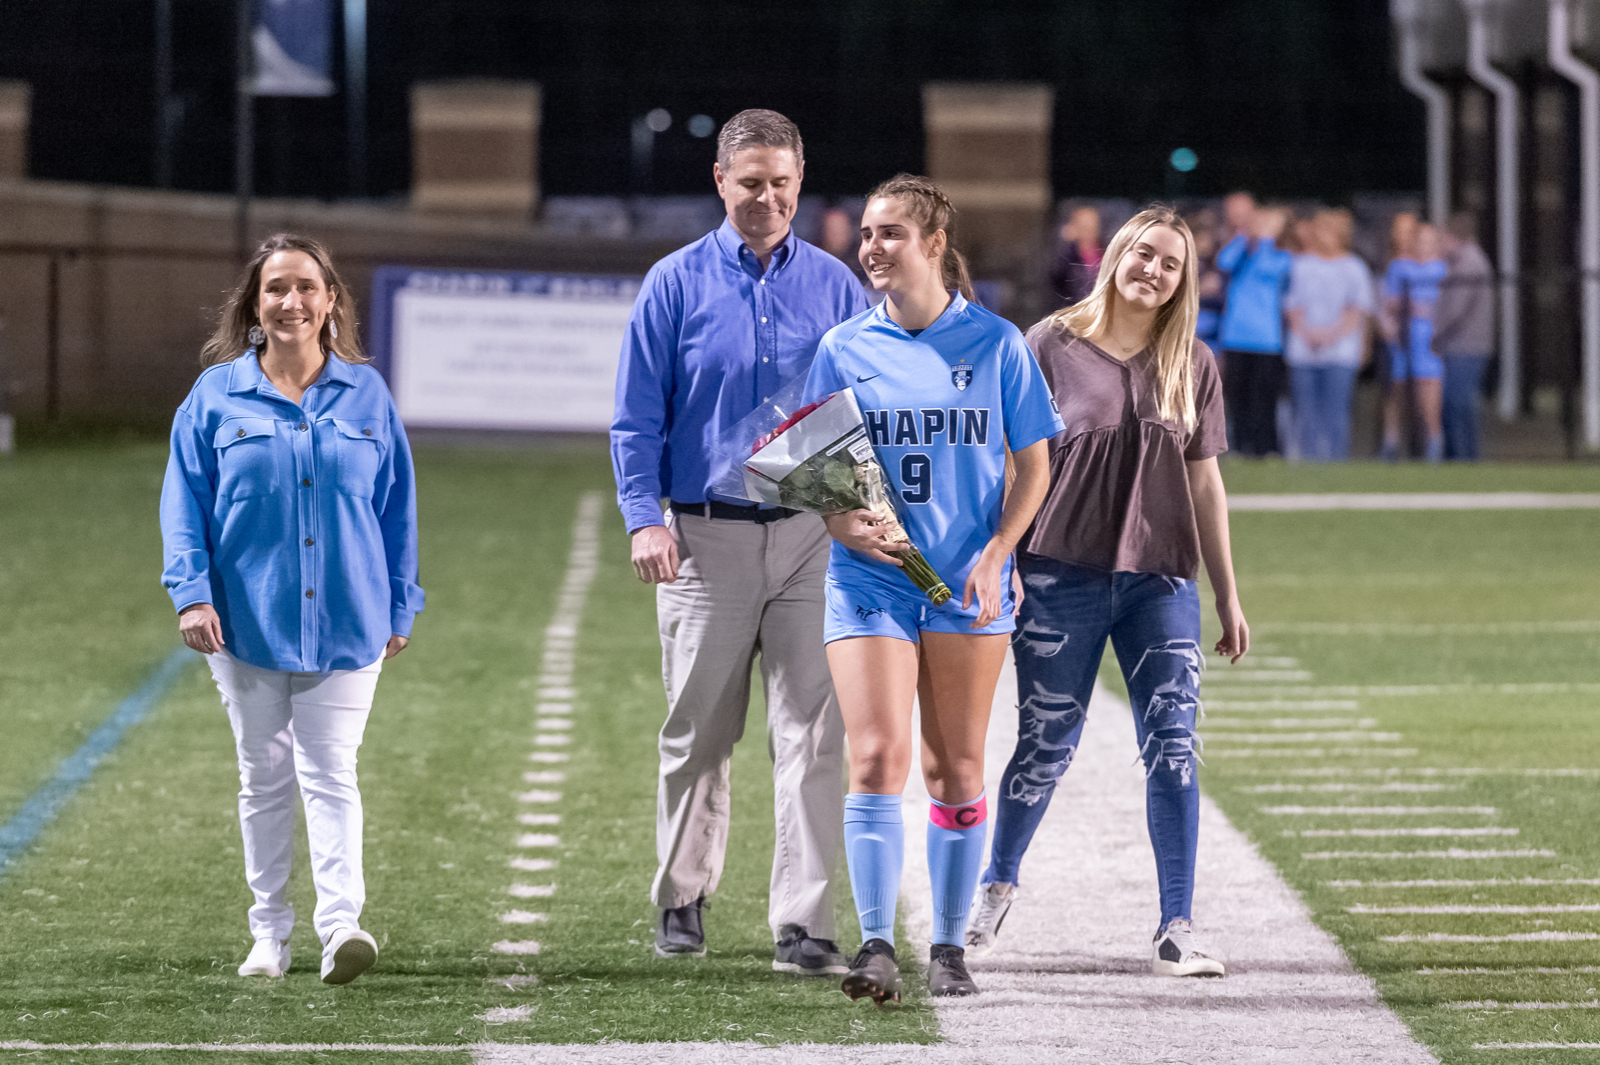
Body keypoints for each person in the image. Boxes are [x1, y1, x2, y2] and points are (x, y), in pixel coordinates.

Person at [610, 109, 870, 973]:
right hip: (704, 538)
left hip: (810, 536)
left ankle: (804, 921)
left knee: (813, 732)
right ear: (720, 182)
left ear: (801, 182)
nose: (766, 197)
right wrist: (645, 515)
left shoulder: (837, 286)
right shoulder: (674, 283)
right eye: (750, 182)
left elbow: (862, 407)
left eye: (781, 183)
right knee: (698, 731)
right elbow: (637, 416)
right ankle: (682, 896)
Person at [965, 206, 1248, 979]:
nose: (1153, 269)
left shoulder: (1193, 361)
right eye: (1144, 252)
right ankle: (996, 884)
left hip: (1160, 579)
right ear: (1117, 253)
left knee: (1175, 744)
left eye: (1170, 263)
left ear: (1182, 280)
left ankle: (1177, 925)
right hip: (1060, 574)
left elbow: (1205, 483)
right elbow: (1010, 464)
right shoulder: (1048, 344)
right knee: (1046, 744)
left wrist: (1228, 593)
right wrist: (1003, 557)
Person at [805, 174, 1061, 1002]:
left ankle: (947, 946)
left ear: (934, 245)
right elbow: (820, 471)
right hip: (871, 585)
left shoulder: (996, 345)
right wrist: (842, 523)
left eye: (891, 234)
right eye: (868, 233)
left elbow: (1034, 465)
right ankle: (876, 943)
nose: (873, 248)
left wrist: (998, 553)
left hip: (965, 588)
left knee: (955, 768)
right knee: (876, 757)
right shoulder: (843, 345)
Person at [160, 233, 425, 986]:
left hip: (349, 617)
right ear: (255, 303)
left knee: (332, 771)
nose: (292, 301)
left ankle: (342, 925)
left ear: (330, 301)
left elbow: (396, 506)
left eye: (307, 287)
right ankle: (269, 931)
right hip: (242, 620)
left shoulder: (367, 395)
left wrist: (401, 602)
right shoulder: (214, 397)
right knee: (265, 775)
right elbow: (184, 504)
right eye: (277, 288)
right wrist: (192, 593)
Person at [1284, 208, 1374, 461]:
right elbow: (1292, 306)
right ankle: (1309, 462)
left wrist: (1331, 335)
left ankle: (1336, 461)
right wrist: (1308, 334)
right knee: (1306, 412)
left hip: (1340, 352)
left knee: (1336, 411)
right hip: (1304, 350)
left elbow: (1357, 310)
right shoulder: (1301, 266)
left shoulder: (1354, 268)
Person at [1217, 204, 1293, 456]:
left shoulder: (1281, 257)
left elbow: (1267, 270)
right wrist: (1243, 237)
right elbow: (1223, 262)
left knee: (1264, 399)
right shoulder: (1241, 254)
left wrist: (1265, 241)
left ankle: (1266, 448)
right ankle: (1239, 446)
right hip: (1236, 337)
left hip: (1267, 339)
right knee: (1238, 398)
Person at [1379, 220, 1448, 462]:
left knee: (1428, 390)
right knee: (1397, 390)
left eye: (1429, 241)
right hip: (1404, 340)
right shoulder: (1399, 267)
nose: (1424, 245)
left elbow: (1446, 307)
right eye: (1420, 240)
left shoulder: (1442, 270)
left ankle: (1434, 441)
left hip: (1431, 341)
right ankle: (1391, 442)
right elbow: (1390, 302)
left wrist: (1426, 310)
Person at [1433, 212, 1496, 461]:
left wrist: (1434, 332)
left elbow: (1456, 309)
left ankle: (1463, 458)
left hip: (1465, 346)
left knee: (1457, 404)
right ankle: (1463, 457)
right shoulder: (1465, 261)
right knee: (1458, 405)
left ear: (1452, 236)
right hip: (1463, 346)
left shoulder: (1469, 263)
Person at [1048, 204, 1104, 307]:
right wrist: (1064, 243)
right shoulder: (1069, 256)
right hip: (1073, 311)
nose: (1088, 229)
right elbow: (1056, 276)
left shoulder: (1104, 252)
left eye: (1092, 224)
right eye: (1083, 225)